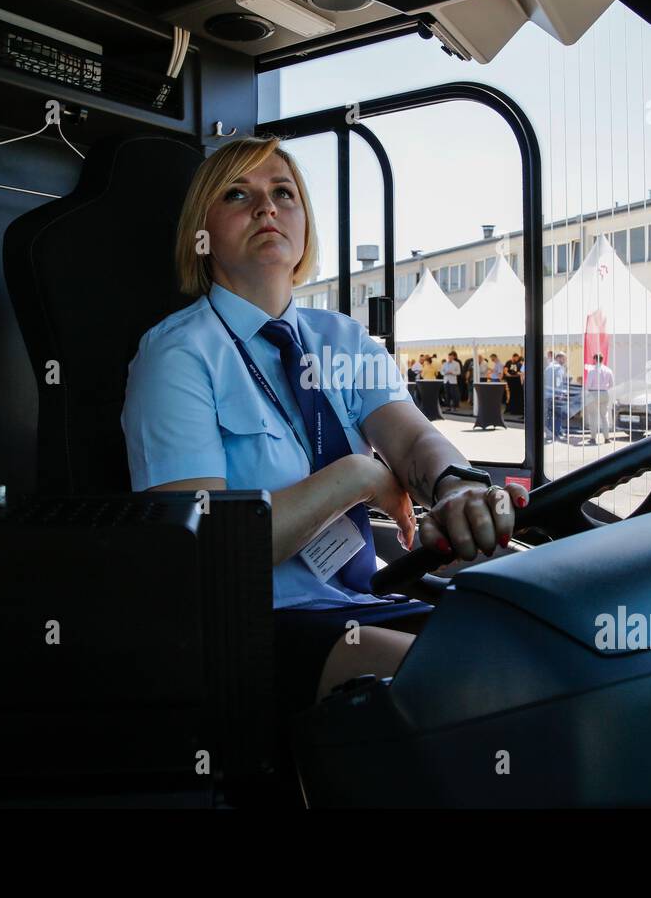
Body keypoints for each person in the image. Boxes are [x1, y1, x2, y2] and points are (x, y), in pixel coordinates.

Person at [121, 136, 528, 716]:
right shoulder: (178, 355)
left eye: (282, 193)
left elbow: (413, 439)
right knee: (479, 681)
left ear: (305, 228)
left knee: (538, 645)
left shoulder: (342, 339)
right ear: (201, 234)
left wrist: (455, 486)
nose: (266, 207)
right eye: (238, 194)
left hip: (360, 599)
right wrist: (358, 476)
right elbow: (205, 551)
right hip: (256, 627)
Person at [582, 352, 616, 444]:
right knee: (604, 416)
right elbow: (612, 384)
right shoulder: (608, 370)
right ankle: (607, 438)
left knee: (593, 416)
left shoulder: (592, 370)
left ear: (595, 359)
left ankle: (593, 438)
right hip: (604, 393)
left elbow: (588, 385)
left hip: (593, 393)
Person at [543, 352, 565, 443]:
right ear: (559, 358)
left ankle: (550, 433)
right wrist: (561, 393)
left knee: (549, 415)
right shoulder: (558, 368)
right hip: (555, 395)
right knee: (557, 416)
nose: (565, 361)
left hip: (546, 395)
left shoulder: (548, 367)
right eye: (564, 359)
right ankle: (555, 433)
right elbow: (558, 382)